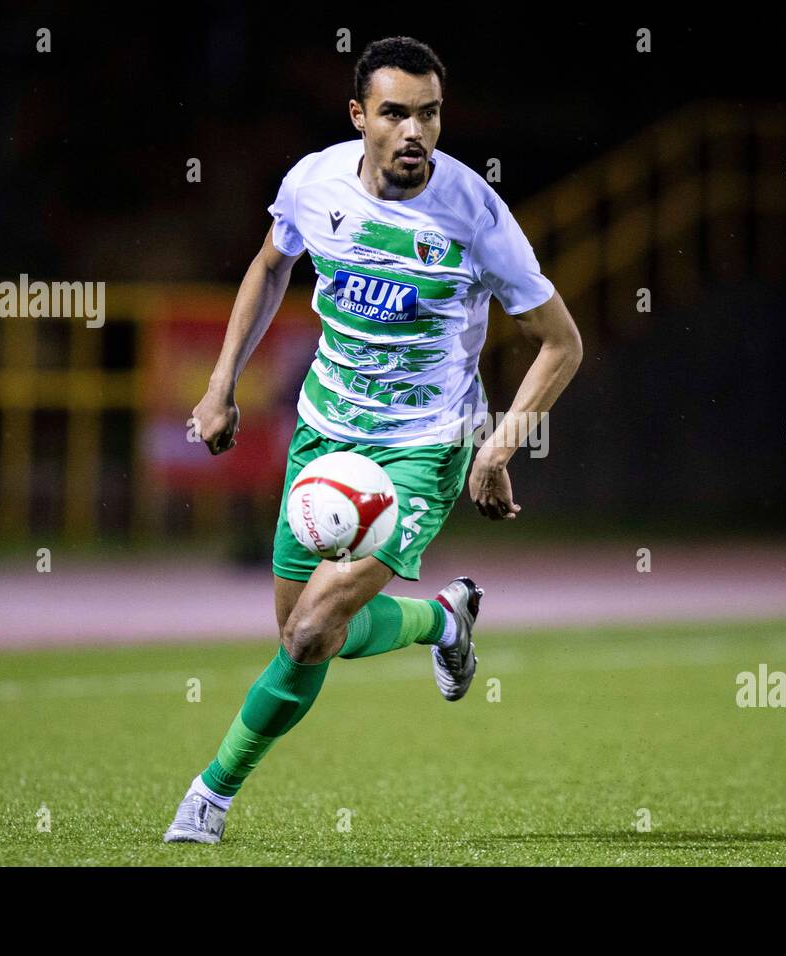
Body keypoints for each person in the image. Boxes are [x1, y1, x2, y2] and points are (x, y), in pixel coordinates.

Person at [164, 36, 583, 844]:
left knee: (309, 633)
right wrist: (221, 384)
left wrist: (498, 447)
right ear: (360, 116)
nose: (414, 131)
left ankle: (208, 798)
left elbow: (560, 341)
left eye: (428, 113)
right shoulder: (313, 182)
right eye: (394, 113)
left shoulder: (475, 214)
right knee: (309, 636)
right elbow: (269, 265)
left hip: (426, 442)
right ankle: (443, 621)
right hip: (325, 434)